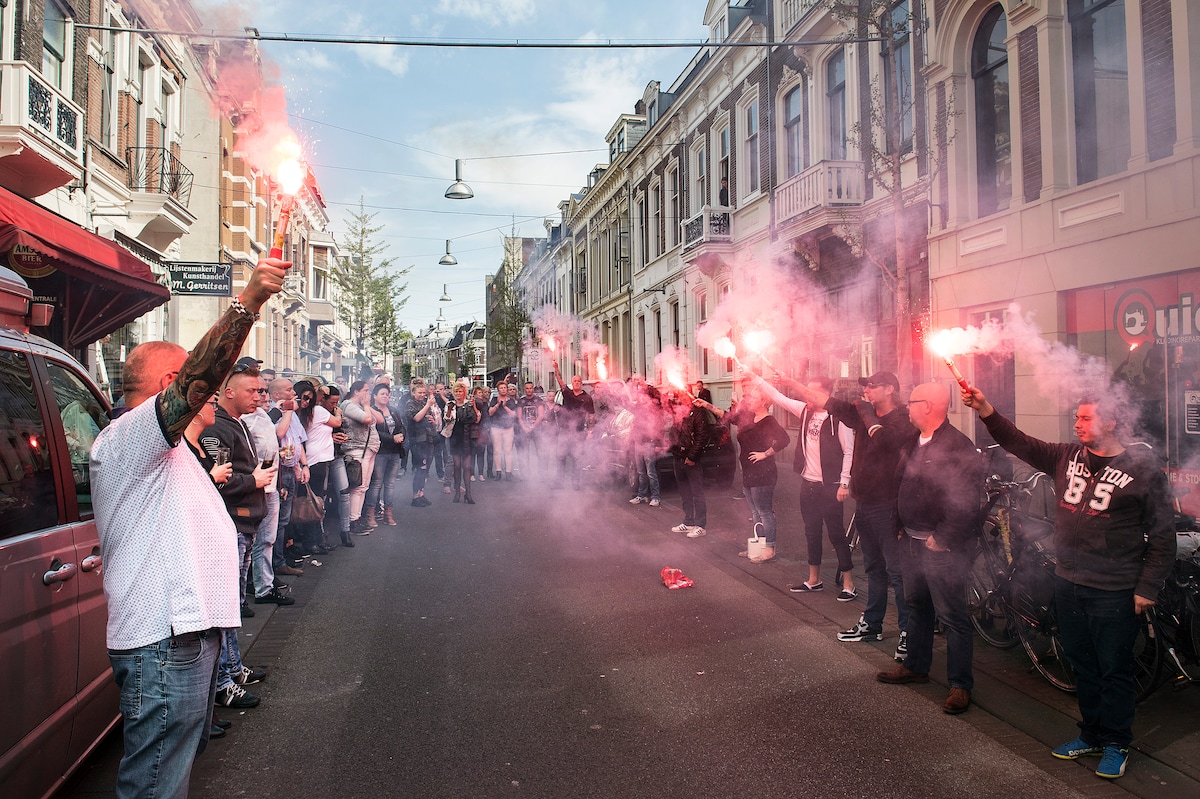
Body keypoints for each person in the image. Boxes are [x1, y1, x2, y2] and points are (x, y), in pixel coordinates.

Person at [90, 256, 286, 799]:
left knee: (171, 767)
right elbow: (198, 379)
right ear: (175, 386)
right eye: (209, 382)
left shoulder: (173, 449)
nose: (217, 390)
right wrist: (247, 302)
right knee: (155, 779)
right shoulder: (131, 435)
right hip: (163, 641)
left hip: (183, 639)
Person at [962, 386, 1175, 778]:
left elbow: (1163, 537)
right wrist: (985, 408)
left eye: (1086, 418)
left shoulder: (1143, 472)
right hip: (1069, 581)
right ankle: (1091, 733)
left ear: (1110, 422)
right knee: (1082, 663)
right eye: (1076, 417)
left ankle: (1116, 743)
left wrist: (1147, 588)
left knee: (1114, 668)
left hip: (1114, 588)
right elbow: (1017, 441)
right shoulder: (1065, 456)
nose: (1077, 424)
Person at [773, 370, 915, 655]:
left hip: (888, 506)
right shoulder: (863, 413)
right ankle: (872, 624)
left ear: (889, 389)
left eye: (872, 387)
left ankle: (908, 632)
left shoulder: (903, 419)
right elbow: (826, 401)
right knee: (873, 568)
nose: (866, 392)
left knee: (896, 572)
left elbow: (887, 441)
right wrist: (793, 384)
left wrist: (866, 413)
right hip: (864, 503)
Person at [875, 382, 984, 716]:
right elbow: (899, 485)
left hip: (942, 548)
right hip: (910, 540)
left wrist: (943, 536)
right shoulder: (912, 441)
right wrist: (897, 525)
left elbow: (966, 502)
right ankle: (916, 666)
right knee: (917, 605)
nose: (906, 407)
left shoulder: (958, 447)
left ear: (930, 406)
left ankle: (960, 685)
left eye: (911, 402)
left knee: (952, 616)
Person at [201, 361, 278, 709]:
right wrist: (254, 481)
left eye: (261, 390)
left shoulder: (236, 422)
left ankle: (233, 669)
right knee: (225, 606)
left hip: (244, 524)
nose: (259, 397)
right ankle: (224, 680)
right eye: (252, 390)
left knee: (233, 604)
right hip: (232, 523)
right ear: (228, 391)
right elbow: (218, 478)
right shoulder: (217, 426)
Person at [756, 375, 857, 599]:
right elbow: (778, 397)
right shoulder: (805, 412)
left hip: (830, 486)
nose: (806, 396)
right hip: (808, 484)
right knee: (811, 532)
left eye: (812, 392)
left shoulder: (838, 419)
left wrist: (844, 483)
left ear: (826, 394)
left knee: (836, 534)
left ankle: (849, 584)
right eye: (806, 391)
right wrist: (755, 376)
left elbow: (849, 451)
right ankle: (814, 580)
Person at [699, 388, 791, 561]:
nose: (749, 401)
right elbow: (726, 416)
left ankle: (770, 549)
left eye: (753, 398)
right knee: (755, 512)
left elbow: (784, 439)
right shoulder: (748, 418)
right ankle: (758, 547)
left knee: (764, 512)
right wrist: (706, 405)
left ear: (764, 401)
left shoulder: (768, 421)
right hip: (749, 471)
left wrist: (766, 453)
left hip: (764, 473)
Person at [294, 380, 334, 556]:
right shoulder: (295, 414)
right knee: (309, 503)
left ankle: (317, 539)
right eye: (304, 398)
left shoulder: (310, 412)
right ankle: (310, 542)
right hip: (308, 462)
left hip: (311, 462)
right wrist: (303, 465)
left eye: (309, 399)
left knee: (317, 502)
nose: (306, 402)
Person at [669, 392, 711, 538]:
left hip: (691, 459)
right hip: (678, 457)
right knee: (684, 492)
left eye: (681, 394)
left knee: (697, 493)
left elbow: (702, 436)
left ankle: (700, 525)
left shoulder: (698, 412)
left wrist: (692, 456)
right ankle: (688, 522)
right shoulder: (677, 409)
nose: (679, 398)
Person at [342, 380, 382, 534]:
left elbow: (379, 419)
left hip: (368, 450)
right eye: (365, 390)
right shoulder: (349, 405)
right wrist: (366, 406)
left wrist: (368, 406)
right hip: (358, 450)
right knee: (357, 487)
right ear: (356, 392)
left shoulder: (361, 406)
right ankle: (353, 521)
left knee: (363, 486)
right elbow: (366, 419)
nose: (368, 393)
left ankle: (357, 517)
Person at [365, 382, 405, 525]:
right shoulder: (371, 411)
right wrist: (392, 438)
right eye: (382, 394)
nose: (385, 396)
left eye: (387, 394)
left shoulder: (393, 410)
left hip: (394, 452)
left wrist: (401, 436)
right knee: (376, 483)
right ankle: (371, 514)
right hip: (380, 452)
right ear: (374, 396)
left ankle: (389, 513)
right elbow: (373, 432)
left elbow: (401, 426)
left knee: (390, 484)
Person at [551, 360, 595, 489]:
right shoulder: (568, 393)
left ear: (581, 383)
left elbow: (591, 415)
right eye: (574, 381)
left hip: (579, 431)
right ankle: (560, 481)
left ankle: (576, 483)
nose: (576, 383)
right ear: (572, 382)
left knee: (577, 458)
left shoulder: (587, 398)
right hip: (565, 430)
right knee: (560, 456)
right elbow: (559, 380)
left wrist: (590, 431)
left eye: (578, 381)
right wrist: (556, 368)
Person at [628, 380, 666, 506]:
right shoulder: (639, 408)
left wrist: (658, 444)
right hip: (638, 442)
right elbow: (628, 406)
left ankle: (656, 496)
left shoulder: (655, 410)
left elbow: (660, 427)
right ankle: (641, 495)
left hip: (649, 443)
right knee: (641, 472)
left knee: (651, 472)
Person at [444, 378, 481, 503]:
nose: (459, 393)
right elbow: (447, 419)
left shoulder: (469, 404)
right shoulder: (450, 404)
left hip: (468, 437)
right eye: (456, 391)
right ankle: (458, 492)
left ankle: (468, 494)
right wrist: (449, 409)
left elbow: (476, 419)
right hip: (455, 437)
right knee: (457, 465)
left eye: (460, 391)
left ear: (464, 392)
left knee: (466, 466)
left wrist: (474, 406)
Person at [406, 378, 438, 507]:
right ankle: (415, 496)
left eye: (424, 392)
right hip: (417, 440)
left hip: (428, 438)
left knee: (425, 469)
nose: (422, 395)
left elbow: (428, 417)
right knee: (420, 468)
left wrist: (432, 420)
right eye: (419, 393)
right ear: (413, 393)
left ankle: (421, 493)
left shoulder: (425, 403)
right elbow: (416, 417)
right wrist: (427, 407)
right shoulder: (410, 403)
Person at [489, 381, 518, 479]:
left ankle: (508, 472)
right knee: (497, 450)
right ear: (498, 390)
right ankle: (498, 471)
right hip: (496, 427)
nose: (503, 390)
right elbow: (490, 413)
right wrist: (498, 404)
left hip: (508, 427)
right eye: (501, 388)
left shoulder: (511, 401)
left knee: (508, 450)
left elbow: (514, 414)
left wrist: (505, 406)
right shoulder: (494, 399)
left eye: (505, 388)